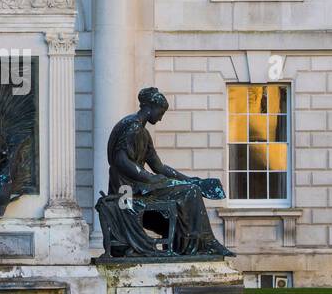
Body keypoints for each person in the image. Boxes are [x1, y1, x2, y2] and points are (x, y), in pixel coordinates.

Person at [99, 87, 234, 257]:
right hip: (129, 189)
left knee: (191, 188)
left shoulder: (142, 132)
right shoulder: (132, 127)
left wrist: (191, 180)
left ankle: (199, 243)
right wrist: (150, 178)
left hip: (138, 185)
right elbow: (121, 161)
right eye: (161, 112)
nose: (161, 118)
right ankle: (202, 243)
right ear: (150, 108)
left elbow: (159, 166)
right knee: (190, 193)